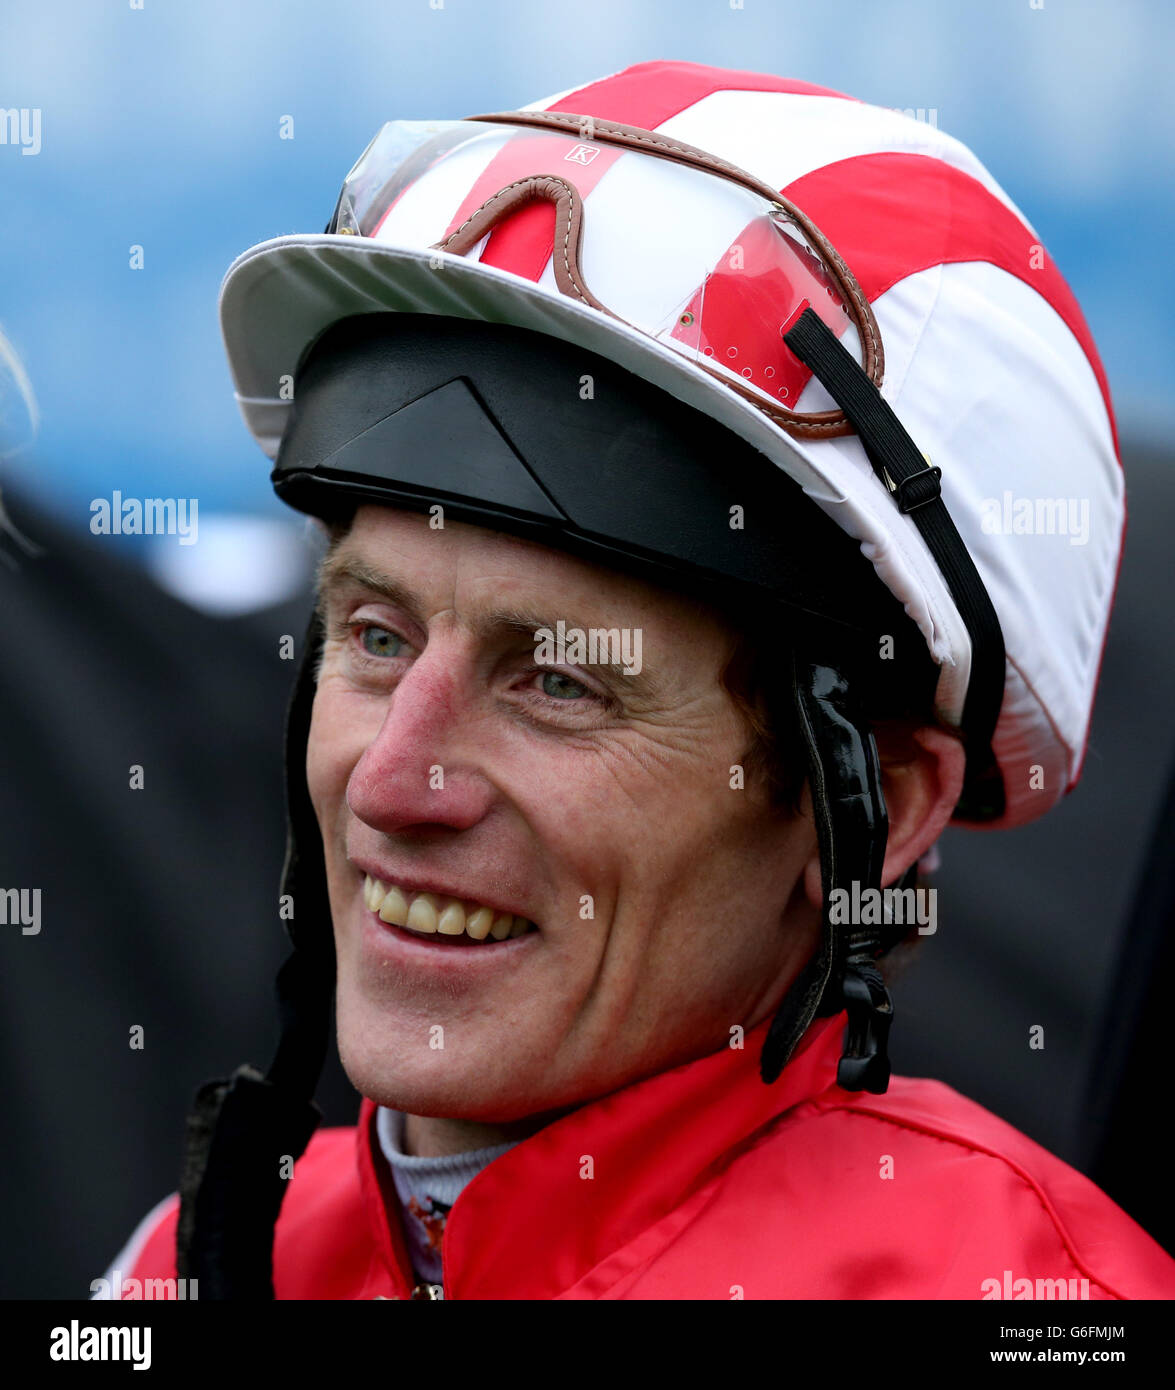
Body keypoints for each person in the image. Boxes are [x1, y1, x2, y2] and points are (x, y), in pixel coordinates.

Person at [100, 59, 1175, 1300]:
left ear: (877, 803)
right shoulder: (186, 1265)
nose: (394, 783)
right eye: (378, 638)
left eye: (558, 680)